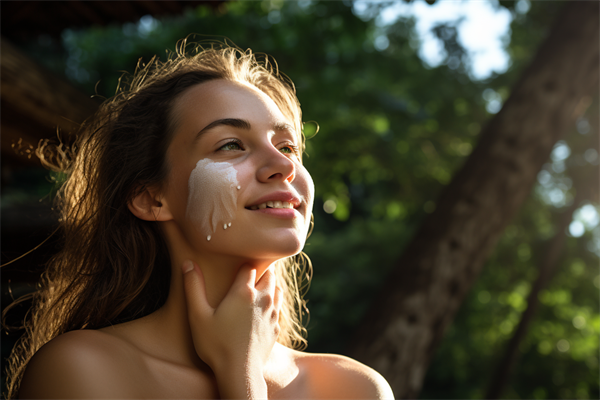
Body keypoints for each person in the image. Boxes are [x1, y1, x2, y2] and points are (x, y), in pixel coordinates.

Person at [6, 40, 394, 399]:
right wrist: (239, 373)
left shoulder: (355, 388)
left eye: (287, 146)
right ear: (151, 198)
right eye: (231, 145)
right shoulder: (80, 369)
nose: (283, 166)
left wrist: (239, 372)